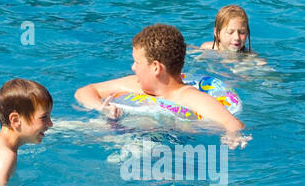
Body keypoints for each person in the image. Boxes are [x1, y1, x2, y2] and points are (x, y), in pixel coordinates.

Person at [74, 24, 248, 148]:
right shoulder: (135, 85)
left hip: (172, 144)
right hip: (127, 132)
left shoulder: (190, 97)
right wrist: (100, 108)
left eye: (136, 62)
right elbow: (85, 91)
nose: (133, 68)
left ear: (156, 67)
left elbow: (232, 123)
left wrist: (232, 136)